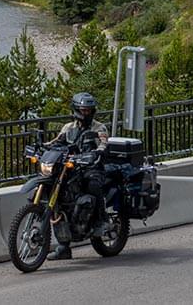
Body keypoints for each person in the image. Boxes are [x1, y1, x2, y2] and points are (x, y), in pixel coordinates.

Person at [47, 92, 109, 261]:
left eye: (89, 110)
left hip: (92, 167)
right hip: (71, 169)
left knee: (92, 184)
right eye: (84, 110)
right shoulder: (68, 128)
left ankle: (101, 220)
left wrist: (98, 152)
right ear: (76, 109)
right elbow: (56, 142)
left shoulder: (98, 127)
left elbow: (103, 143)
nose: (87, 113)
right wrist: (40, 147)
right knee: (59, 199)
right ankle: (64, 247)